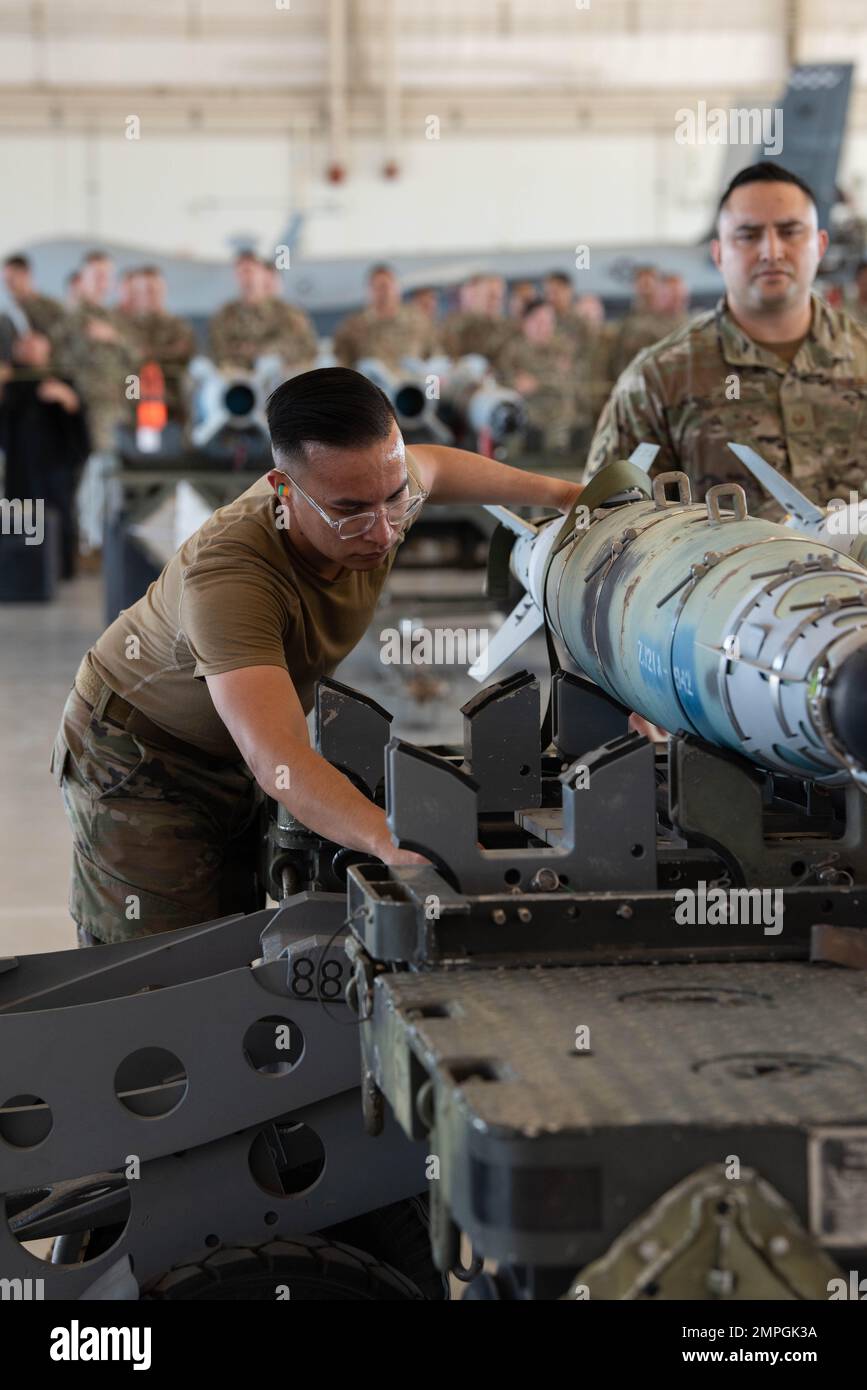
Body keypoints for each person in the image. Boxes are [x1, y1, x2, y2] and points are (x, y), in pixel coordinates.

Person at [50, 367, 583, 946]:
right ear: (284, 490)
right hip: (138, 752)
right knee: (162, 963)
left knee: (231, 934)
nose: (381, 534)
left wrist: (563, 495)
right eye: (351, 511)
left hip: (233, 737)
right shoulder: (232, 577)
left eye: (396, 498)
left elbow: (440, 466)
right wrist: (390, 840)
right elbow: (279, 758)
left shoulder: (375, 487)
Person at [584, 162, 867, 514]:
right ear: (718, 254)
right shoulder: (658, 380)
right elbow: (605, 530)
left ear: (820, 244)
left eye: (790, 231)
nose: (772, 251)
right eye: (749, 235)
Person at [50, 251, 135, 551]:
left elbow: (138, 358)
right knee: (96, 469)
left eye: (105, 275)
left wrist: (114, 338)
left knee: (111, 471)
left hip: (119, 409)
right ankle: (90, 539)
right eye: (95, 275)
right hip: (86, 410)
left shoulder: (117, 320)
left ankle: (103, 537)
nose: (101, 281)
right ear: (82, 280)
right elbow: (55, 361)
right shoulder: (71, 320)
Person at [0, 331, 90, 578]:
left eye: (35, 343)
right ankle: (22, 570)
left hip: (55, 465)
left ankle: (61, 569)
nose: (29, 348)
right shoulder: (11, 380)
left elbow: (79, 424)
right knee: (21, 516)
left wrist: (67, 399)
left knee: (58, 516)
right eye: (24, 343)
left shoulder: (61, 379)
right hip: (21, 466)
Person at [208, 249, 318, 372]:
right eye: (241, 272)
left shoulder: (288, 313)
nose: (247, 278)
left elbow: (306, 349)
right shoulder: (225, 315)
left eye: (251, 271)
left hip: (283, 380)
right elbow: (218, 352)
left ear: (264, 274)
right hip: (241, 381)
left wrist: (256, 352)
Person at [495, 299, 578, 453]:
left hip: (557, 416)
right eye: (539, 321)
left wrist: (537, 384)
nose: (545, 327)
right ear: (525, 322)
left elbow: (568, 383)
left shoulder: (562, 348)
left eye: (549, 321)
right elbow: (505, 382)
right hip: (524, 416)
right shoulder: (512, 351)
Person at [123, 266, 197, 422]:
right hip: (134, 388)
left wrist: (146, 355)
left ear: (163, 291)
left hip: (170, 388)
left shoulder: (178, 325)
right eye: (144, 291)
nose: (149, 295)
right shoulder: (125, 326)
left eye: (153, 290)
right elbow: (125, 361)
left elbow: (185, 356)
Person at [332, 264, 436, 369]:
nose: (383, 292)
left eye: (387, 286)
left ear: (397, 288)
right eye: (377, 287)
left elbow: (435, 358)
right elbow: (343, 364)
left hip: (411, 382)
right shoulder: (352, 326)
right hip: (370, 383)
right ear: (369, 290)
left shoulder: (418, 321)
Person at [441, 273, 515, 362]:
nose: (496, 302)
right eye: (491, 296)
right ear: (473, 295)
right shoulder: (456, 325)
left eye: (499, 297)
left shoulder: (506, 327)